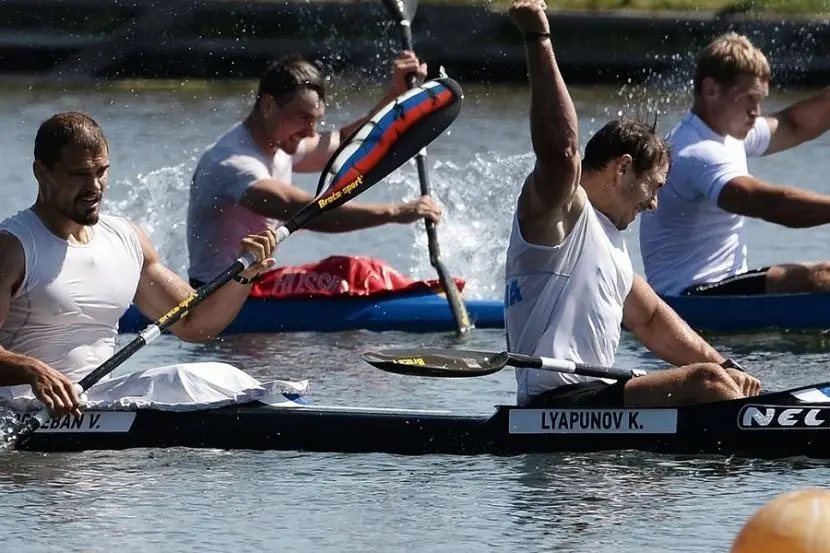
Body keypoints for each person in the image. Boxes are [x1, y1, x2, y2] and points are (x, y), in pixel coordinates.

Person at [503, 0, 761, 408]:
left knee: (714, 379)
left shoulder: (613, 245)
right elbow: (562, 150)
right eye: (654, 187)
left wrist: (727, 365)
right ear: (623, 169)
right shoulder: (560, 213)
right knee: (705, 384)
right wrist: (538, 36)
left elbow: (652, 318)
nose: (656, 204)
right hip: (554, 403)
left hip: (593, 405)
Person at [0, 112, 278, 418]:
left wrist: (244, 277)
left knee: (211, 375)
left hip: (95, 402)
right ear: (42, 172)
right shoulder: (14, 247)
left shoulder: (127, 239)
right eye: (79, 174)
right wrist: (31, 370)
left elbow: (194, 323)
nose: (95, 186)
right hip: (20, 405)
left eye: (102, 171)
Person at [186, 52, 443, 287]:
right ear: (267, 105)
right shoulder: (235, 164)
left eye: (316, 121)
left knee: (357, 275)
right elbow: (309, 212)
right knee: (358, 274)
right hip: (218, 292)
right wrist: (395, 212)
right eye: (304, 118)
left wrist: (397, 96)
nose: (311, 132)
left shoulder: (278, 140)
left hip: (252, 283)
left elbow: (347, 143)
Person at [640, 32, 830, 297]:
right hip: (690, 297)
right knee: (821, 277)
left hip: (726, 285)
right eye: (749, 98)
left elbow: (794, 124)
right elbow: (766, 203)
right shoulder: (695, 151)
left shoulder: (728, 133)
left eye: (760, 99)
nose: (757, 111)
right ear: (711, 90)